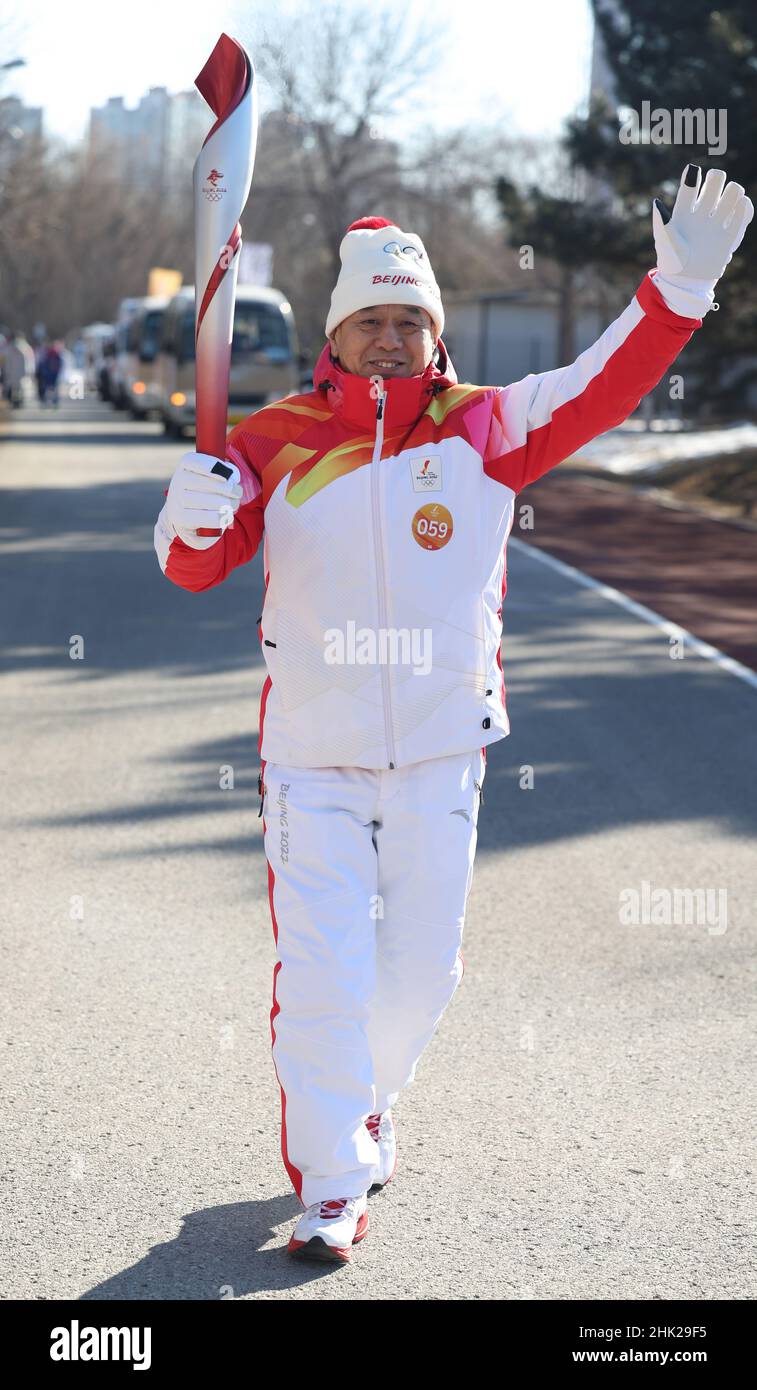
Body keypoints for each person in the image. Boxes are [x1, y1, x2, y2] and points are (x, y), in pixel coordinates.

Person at [153, 165, 752, 1263]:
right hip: (312, 761)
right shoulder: (273, 438)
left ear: (432, 333)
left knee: (423, 972)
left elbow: (601, 384)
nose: (389, 338)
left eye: (408, 321)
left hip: (441, 750)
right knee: (324, 975)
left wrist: (674, 295)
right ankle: (332, 1181)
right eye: (369, 320)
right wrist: (184, 515)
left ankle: (366, 1103)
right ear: (338, 333)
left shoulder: (486, 427)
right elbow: (199, 565)